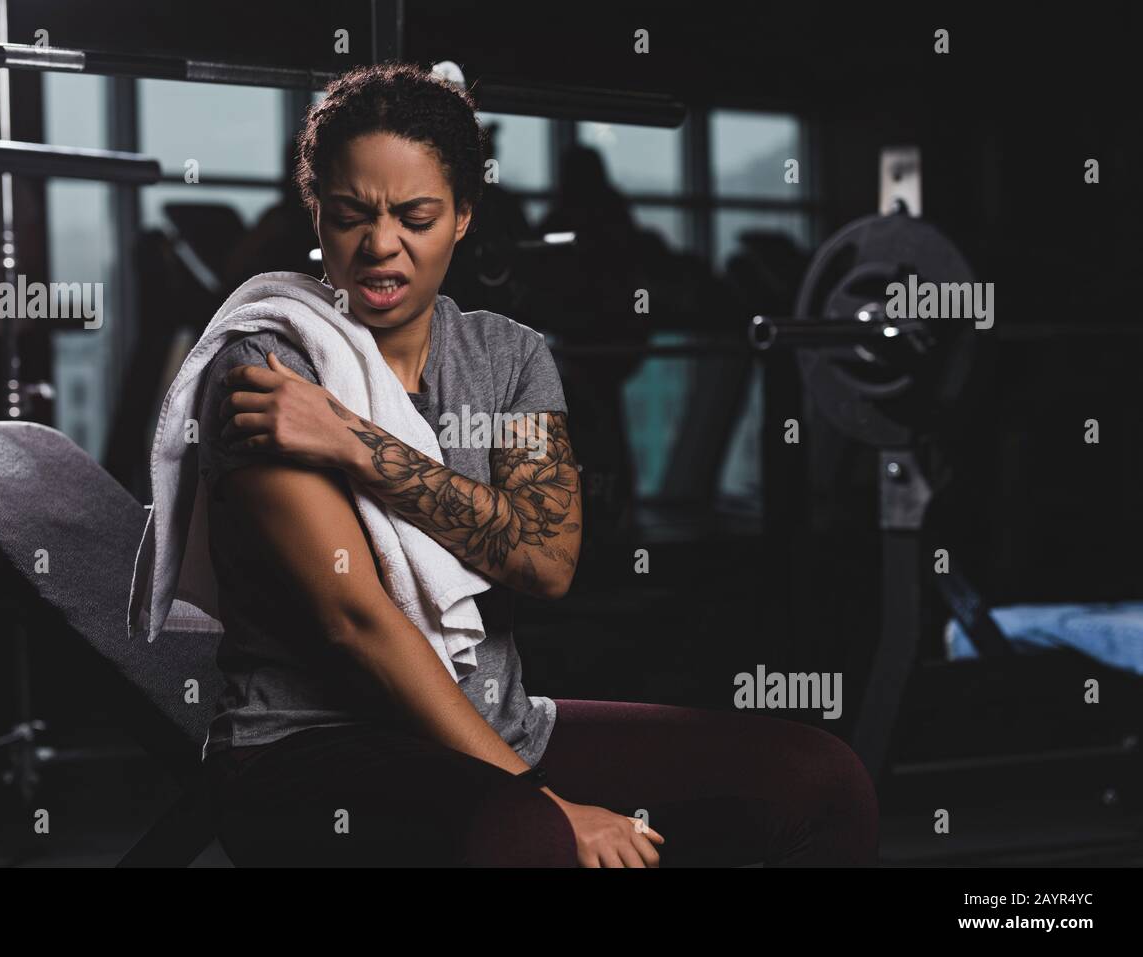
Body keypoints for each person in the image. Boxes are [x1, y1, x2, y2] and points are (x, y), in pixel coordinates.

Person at [197, 61, 879, 867]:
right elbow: (356, 623)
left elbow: (545, 559)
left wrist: (354, 442)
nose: (382, 246)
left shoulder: (508, 355)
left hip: (501, 723)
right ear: (316, 210)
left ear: (462, 216)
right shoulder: (269, 362)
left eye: (416, 216)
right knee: (532, 839)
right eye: (351, 214)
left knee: (818, 777)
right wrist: (542, 798)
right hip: (304, 746)